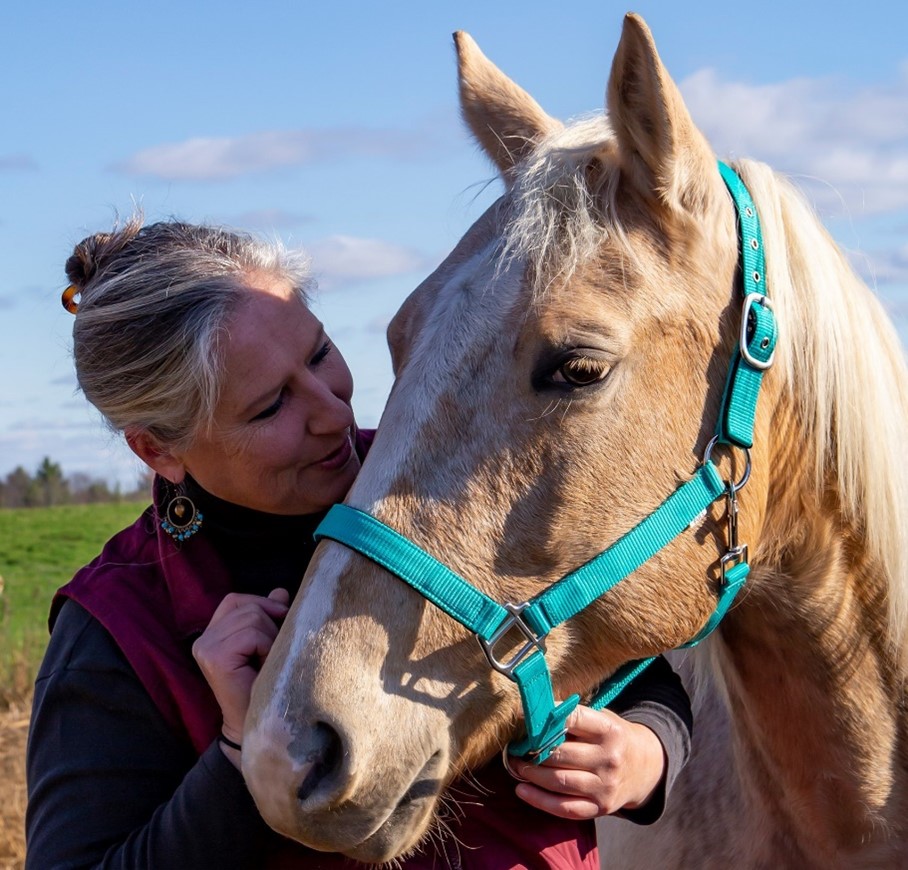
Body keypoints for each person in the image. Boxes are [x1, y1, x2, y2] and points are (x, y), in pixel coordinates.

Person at [26, 219, 693, 869]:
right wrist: (237, 755)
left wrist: (646, 752)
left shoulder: (460, 483)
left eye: (319, 353)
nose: (332, 411)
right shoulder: (118, 628)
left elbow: (631, 669)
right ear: (158, 449)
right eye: (269, 407)